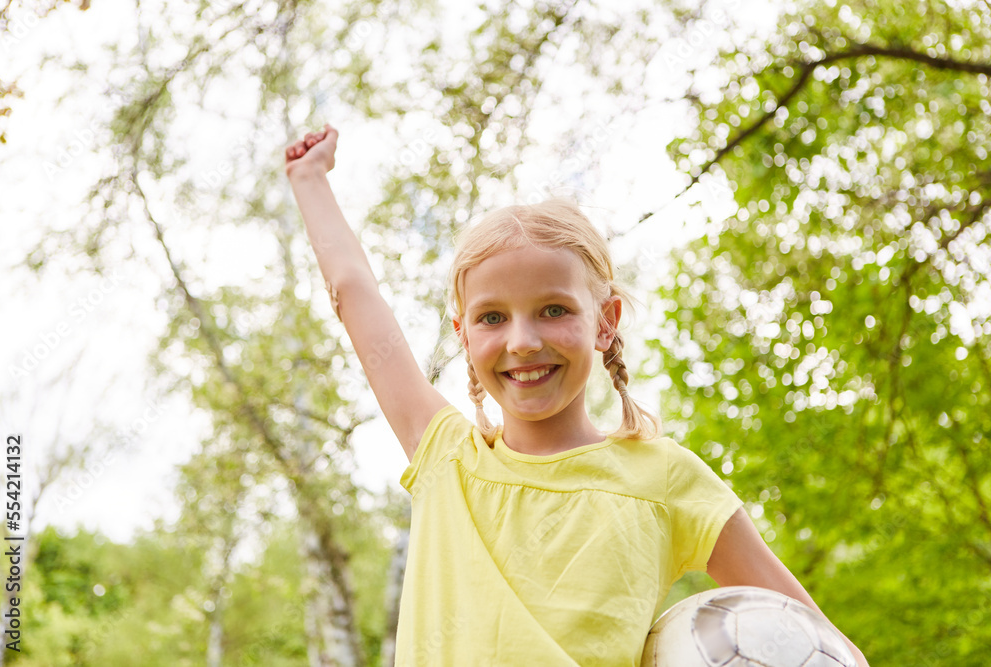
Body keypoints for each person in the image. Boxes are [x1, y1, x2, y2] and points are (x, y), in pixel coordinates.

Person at [285, 126, 869, 666]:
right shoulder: (446, 457)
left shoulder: (666, 478)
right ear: (464, 336)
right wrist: (310, 180)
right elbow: (352, 293)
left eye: (554, 309)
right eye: (492, 317)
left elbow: (815, 641)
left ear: (605, 321)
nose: (522, 341)